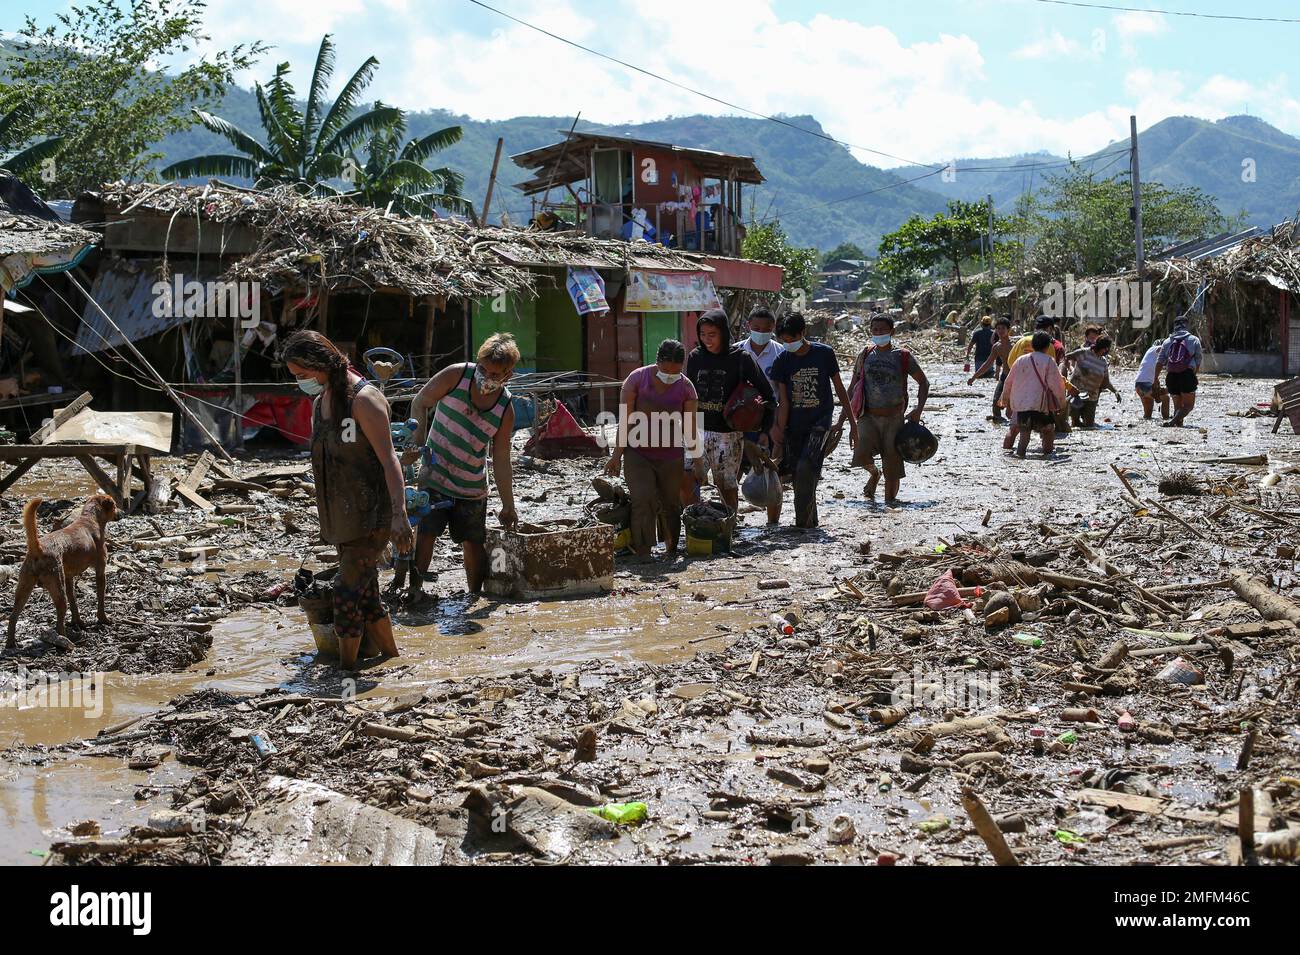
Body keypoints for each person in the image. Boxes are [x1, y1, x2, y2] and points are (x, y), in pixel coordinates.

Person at [284, 331, 411, 671]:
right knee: (367, 595)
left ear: (318, 366)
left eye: (300, 375)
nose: (299, 382)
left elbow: (390, 460)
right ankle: (393, 660)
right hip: (342, 519)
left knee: (344, 592)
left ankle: (345, 672)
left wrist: (400, 515)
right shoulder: (320, 401)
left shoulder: (364, 399)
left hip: (372, 517)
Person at [405, 332, 519, 601]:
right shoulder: (456, 375)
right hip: (435, 473)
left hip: (471, 485)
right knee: (426, 533)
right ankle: (414, 591)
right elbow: (420, 401)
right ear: (477, 363)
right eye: (483, 370)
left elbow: (501, 458)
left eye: (495, 374)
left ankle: (472, 595)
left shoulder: (505, 408)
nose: (486, 377)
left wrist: (509, 504)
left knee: (473, 542)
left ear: (507, 376)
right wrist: (416, 441)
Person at [606, 339, 698, 556]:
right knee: (643, 499)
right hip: (638, 453)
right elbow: (625, 420)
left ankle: (671, 548)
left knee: (670, 504)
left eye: (675, 373)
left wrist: (699, 462)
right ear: (657, 362)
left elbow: (691, 427)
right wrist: (616, 456)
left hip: (671, 454)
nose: (669, 376)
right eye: (665, 371)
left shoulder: (686, 387)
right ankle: (643, 551)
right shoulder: (637, 379)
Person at [684, 308, 775, 514]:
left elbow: (769, 396)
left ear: (723, 333)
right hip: (697, 430)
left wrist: (763, 431)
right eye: (703, 334)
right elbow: (688, 394)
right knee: (687, 479)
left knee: (726, 486)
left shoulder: (741, 358)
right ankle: (695, 522)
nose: (707, 339)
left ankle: (729, 526)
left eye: (712, 335)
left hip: (728, 435)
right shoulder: (695, 357)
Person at [768, 312, 853, 527]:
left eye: (791, 339)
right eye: (784, 341)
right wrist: (778, 430)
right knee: (799, 475)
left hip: (820, 422)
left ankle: (801, 525)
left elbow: (840, 388)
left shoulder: (824, 354)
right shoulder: (783, 360)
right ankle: (810, 522)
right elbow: (784, 401)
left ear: (803, 333)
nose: (788, 344)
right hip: (794, 425)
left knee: (806, 468)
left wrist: (851, 423)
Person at [848, 313, 929, 506]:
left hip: (894, 418)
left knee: (892, 464)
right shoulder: (865, 354)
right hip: (868, 417)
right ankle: (874, 474)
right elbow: (853, 388)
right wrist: (844, 419)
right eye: (875, 330)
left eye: (882, 330)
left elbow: (923, 382)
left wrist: (918, 410)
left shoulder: (903, 356)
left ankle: (890, 505)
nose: (878, 333)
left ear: (892, 332)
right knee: (861, 455)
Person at [1003, 331, 1066, 458]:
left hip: (1021, 405)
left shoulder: (1020, 360)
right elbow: (1057, 384)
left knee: (1024, 435)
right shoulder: (1049, 361)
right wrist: (1061, 403)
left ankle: (1017, 458)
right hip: (1040, 404)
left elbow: (1008, 381)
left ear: (1032, 344)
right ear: (1048, 346)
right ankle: (1047, 456)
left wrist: (1006, 400)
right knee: (1048, 430)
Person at [1155, 316, 1203, 427]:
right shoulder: (1194, 340)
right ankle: (1172, 422)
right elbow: (1198, 360)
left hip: (1171, 376)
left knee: (1178, 406)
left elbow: (1160, 361)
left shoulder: (1167, 341)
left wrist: (1155, 378)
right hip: (1186, 375)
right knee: (1188, 406)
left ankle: (1178, 429)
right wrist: (1194, 376)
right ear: (1187, 325)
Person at [1064, 336, 1121, 428]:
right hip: (1077, 394)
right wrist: (1071, 370)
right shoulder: (1084, 353)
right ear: (1103, 348)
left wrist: (1115, 391)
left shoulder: (1103, 362)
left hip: (1092, 397)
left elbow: (1105, 382)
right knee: (1076, 423)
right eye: (1107, 349)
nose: (1107, 351)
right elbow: (1066, 357)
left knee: (1089, 425)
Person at [968, 317, 1015, 422]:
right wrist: (974, 377)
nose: (1000, 331)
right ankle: (999, 426)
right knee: (995, 402)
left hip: (1016, 378)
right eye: (998, 328)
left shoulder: (1014, 346)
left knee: (1013, 406)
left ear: (1008, 330)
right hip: (1004, 377)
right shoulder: (996, 347)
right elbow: (988, 363)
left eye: (1003, 328)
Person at [1134, 338, 1170, 420]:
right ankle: (1167, 420)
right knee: (1166, 397)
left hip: (1138, 385)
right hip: (1146, 385)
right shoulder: (1155, 349)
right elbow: (1161, 349)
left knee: (1147, 416)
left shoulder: (1150, 355)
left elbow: (1154, 378)